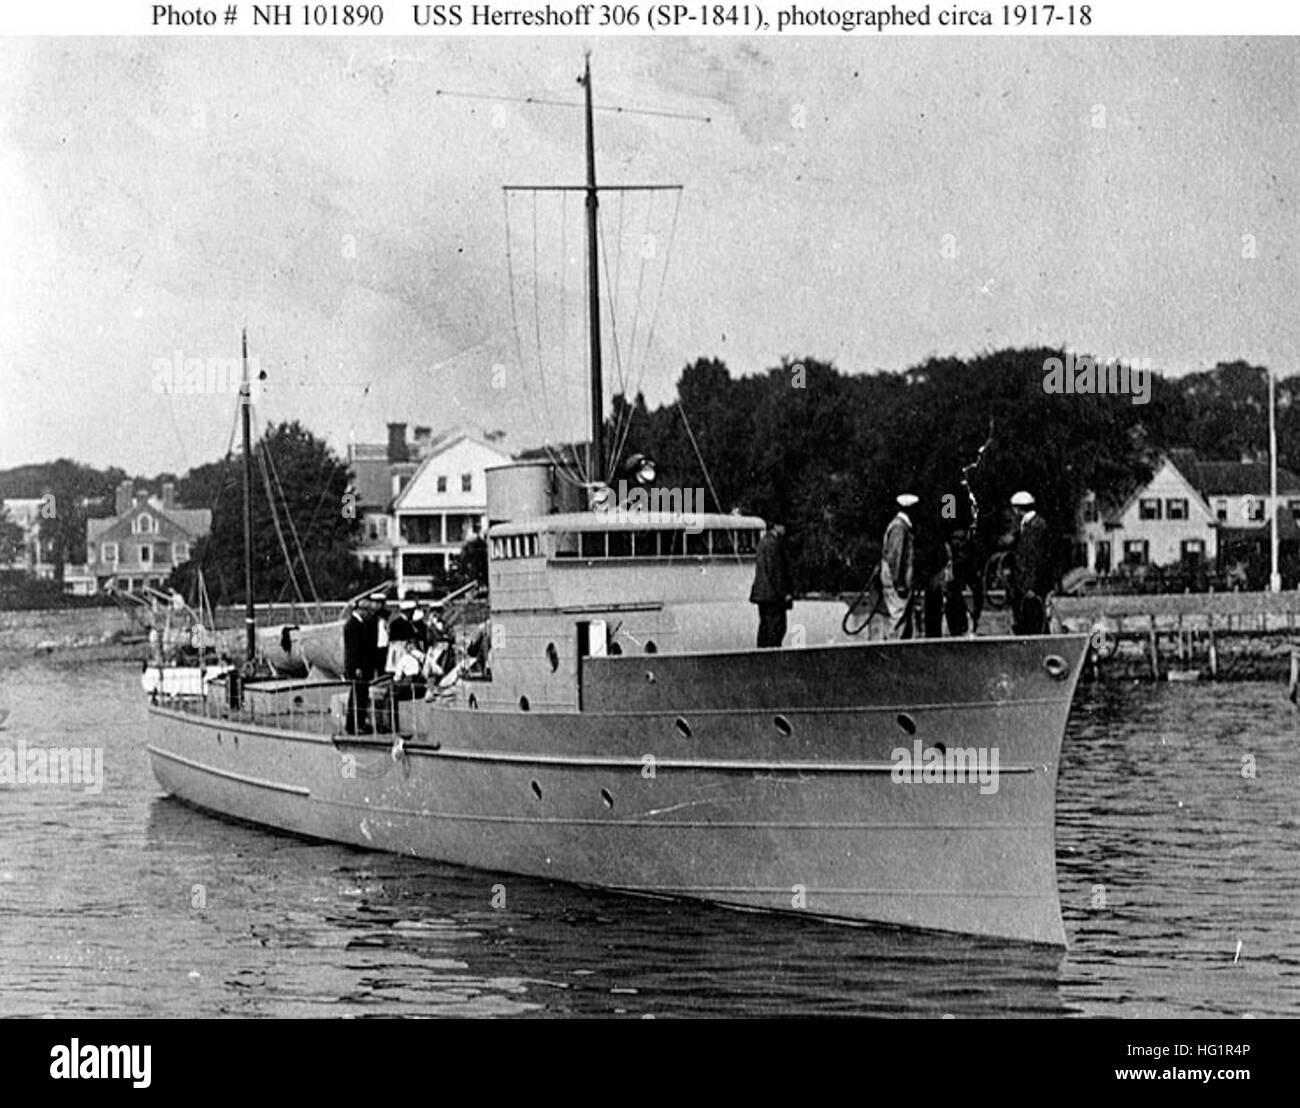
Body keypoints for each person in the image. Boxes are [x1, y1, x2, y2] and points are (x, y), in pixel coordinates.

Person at [1009, 491, 1053, 635]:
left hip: (1031, 588)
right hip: (1025, 587)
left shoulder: (1035, 526)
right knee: (1027, 621)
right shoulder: (1029, 525)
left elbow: (1036, 558)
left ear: (1018, 509)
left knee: (1034, 621)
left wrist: (1031, 586)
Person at [874, 494, 917, 639]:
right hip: (897, 582)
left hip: (898, 580)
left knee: (901, 619)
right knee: (898, 618)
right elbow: (895, 557)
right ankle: (894, 653)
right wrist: (900, 584)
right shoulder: (900, 528)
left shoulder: (901, 526)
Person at [749, 519, 792, 648]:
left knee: (765, 627)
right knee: (777, 628)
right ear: (776, 526)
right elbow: (777, 571)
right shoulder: (775, 544)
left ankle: (762, 657)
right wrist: (785, 593)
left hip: (762, 594)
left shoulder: (763, 543)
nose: (785, 529)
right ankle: (773, 658)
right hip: (773, 595)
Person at [343, 599, 377, 733]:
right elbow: (353, 649)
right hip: (358, 668)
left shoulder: (360, 624)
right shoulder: (353, 625)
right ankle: (353, 725)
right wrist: (356, 667)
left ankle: (360, 723)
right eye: (367, 610)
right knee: (357, 696)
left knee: (362, 695)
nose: (368, 613)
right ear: (360, 610)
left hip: (363, 666)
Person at [945, 526, 984, 636]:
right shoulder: (950, 511)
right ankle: (962, 625)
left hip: (967, 549)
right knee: (954, 592)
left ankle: (969, 623)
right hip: (961, 547)